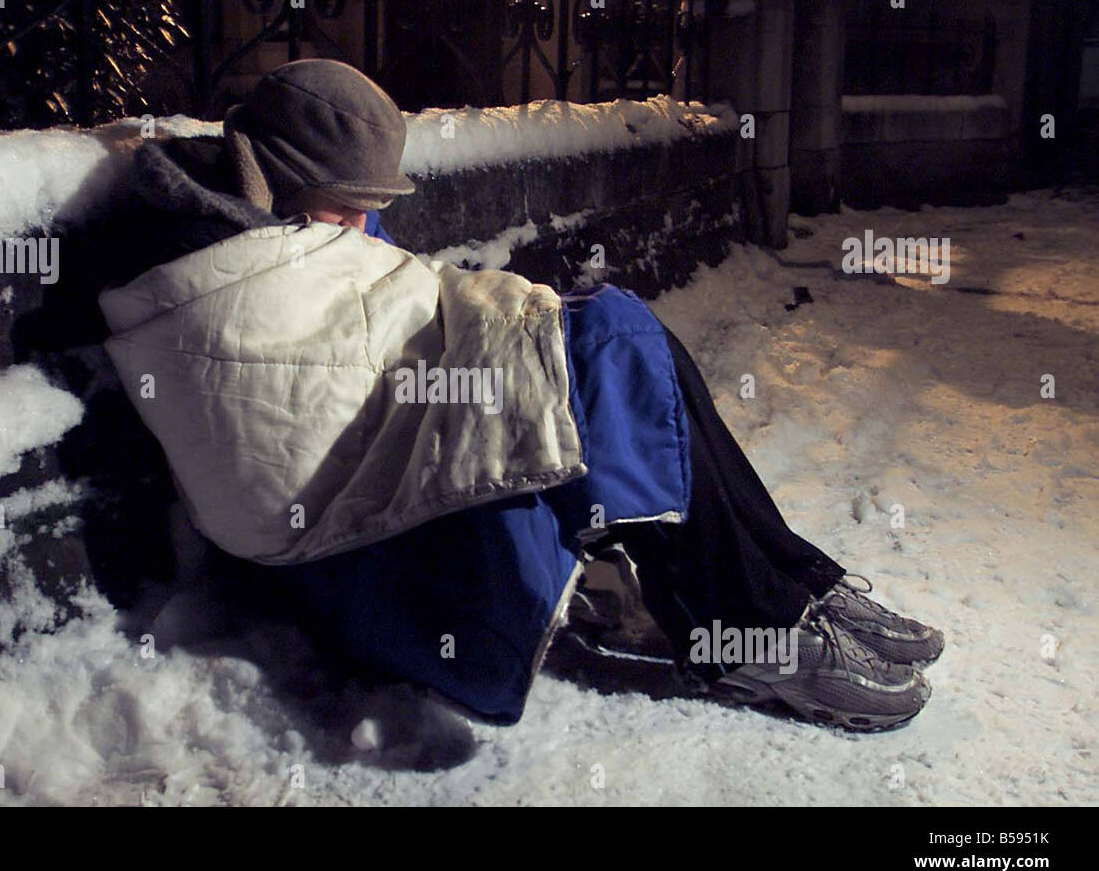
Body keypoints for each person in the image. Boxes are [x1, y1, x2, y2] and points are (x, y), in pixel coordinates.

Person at [100, 59, 942, 732]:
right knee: (606, 348)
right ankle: (751, 632)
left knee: (609, 335)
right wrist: (511, 325)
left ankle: (790, 590)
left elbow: (393, 306)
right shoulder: (211, 276)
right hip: (348, 545)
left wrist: (513, 313)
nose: (364, 225)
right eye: (350, 208)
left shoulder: (287, 217)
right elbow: (309, 407)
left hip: (393, 480)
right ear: (280, 175)